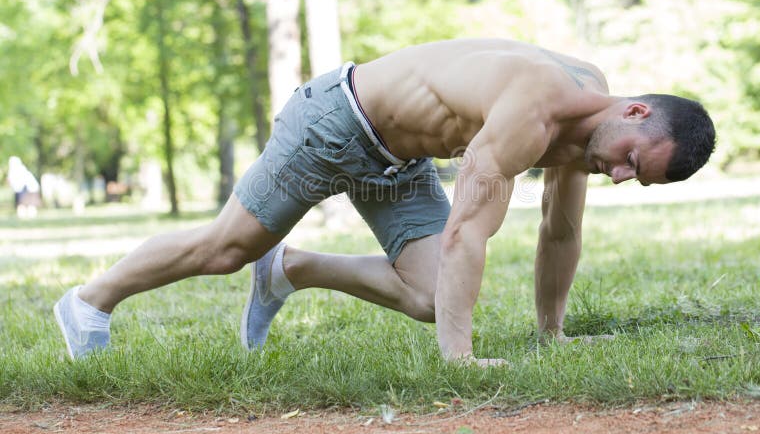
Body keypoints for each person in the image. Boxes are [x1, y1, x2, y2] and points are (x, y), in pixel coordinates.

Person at [53, 38, 716, 364]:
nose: (621, 175)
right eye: (633, 160)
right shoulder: (538, 105)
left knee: (432, 298)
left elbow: (561, 234)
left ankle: (292, 270)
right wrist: (461, 360)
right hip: (335, 123)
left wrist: (551, 334)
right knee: (227, 246)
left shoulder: (591, 137)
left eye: (638, 178)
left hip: (396, 158)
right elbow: (466, 234)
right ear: (634, 109)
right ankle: (87, 303)